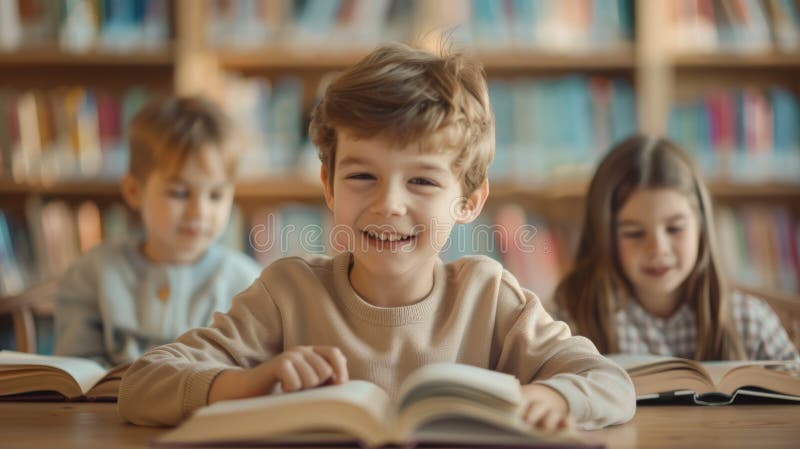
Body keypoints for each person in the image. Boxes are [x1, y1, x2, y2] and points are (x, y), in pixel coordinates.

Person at [118, 43, 635, 431]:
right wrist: (244, 383)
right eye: (362, 176)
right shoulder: (287, 292)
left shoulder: (491, 297)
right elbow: (142, 384)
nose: (389, 203)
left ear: (469, 200)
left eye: (423, 181)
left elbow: (610, 384)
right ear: (328, 185)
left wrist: (557, 400)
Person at [54, 96, 262, 368]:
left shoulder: (249, 285)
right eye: (179, 193)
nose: (198, 212)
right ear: (133, 191)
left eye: (215, 195)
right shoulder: (90, 275)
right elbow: (76, 373)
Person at [553, 135, 799, 361]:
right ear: (602, 236)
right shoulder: (569, 323)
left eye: (674, 229)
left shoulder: (749, 321)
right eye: (634, 233)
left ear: (701, 227)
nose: (658, 249)